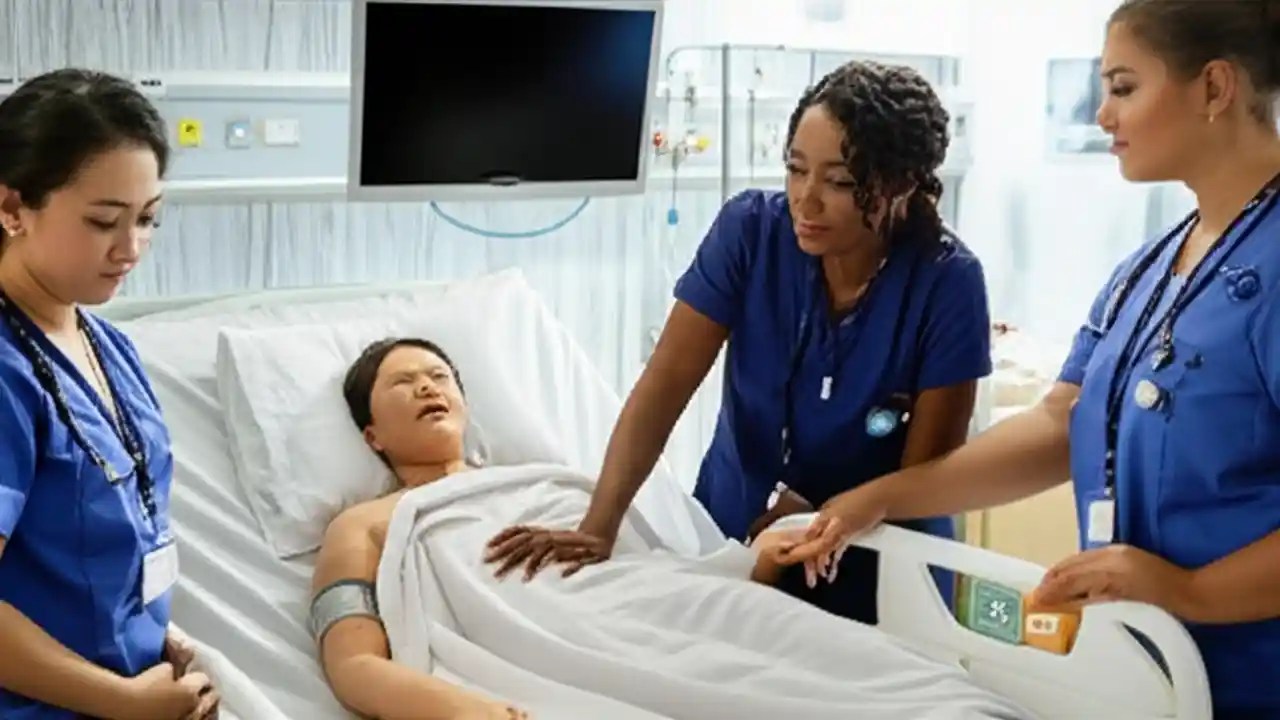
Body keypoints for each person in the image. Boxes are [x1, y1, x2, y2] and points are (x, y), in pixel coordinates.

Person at [782, 1, 1280, 717]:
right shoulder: (1151, 267)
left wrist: (1189, 592)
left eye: (1124, 86)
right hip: (1146, 670)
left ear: (1214, 88)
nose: (1103, 115)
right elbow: (1062, 422)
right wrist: (884, 497)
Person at [483, 59, 992, 624]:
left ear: (901, 182)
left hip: (882, 561)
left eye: (841, 181)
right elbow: (666, 381)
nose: (807, 198)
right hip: (738, 532)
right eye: (796, 169)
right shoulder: (750, 233)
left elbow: (926, 477)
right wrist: (598, 526)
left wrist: (818, 518)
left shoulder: (947, 282)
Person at [311, 339, 812, 720]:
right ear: (371, 434)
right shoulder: (365, 525)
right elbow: (354, 665)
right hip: (552, 656)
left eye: (439, 376)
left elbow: (653, 572)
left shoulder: (549, 481)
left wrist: (752, 566)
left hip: (662, 617)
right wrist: (469, 711)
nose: (427, 387)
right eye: (402, 382)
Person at [0, 69, 218, 719]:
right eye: (104, 222)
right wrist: (122, 700)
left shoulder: (105, 343)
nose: (132, 249)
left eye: (148, 219)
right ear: (11, 208)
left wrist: (160, 647)